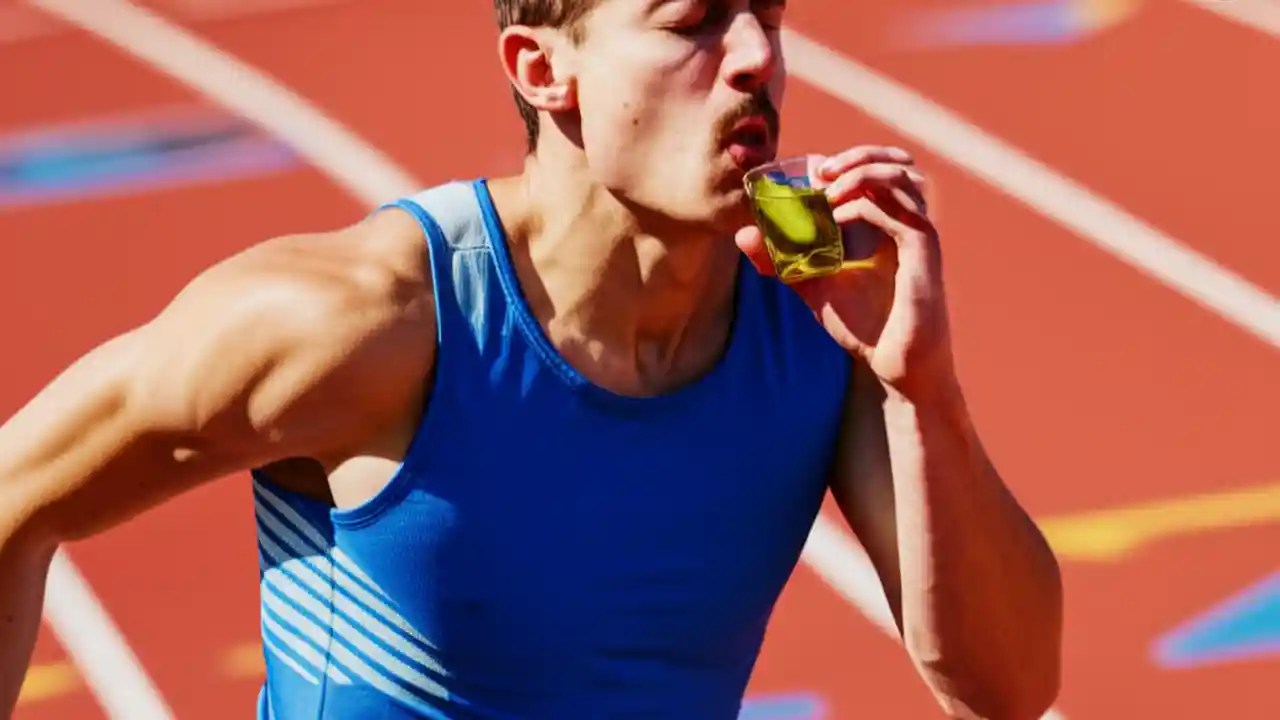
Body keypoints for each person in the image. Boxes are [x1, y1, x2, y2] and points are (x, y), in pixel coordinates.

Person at [0, 0, 1063, 718]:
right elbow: (15, 498)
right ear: (542, 70)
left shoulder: (815, 324)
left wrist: (924, 392)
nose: (754, 58)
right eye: (690, 22)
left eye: (767, 14)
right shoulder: (359, 324)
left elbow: (1003, 687)